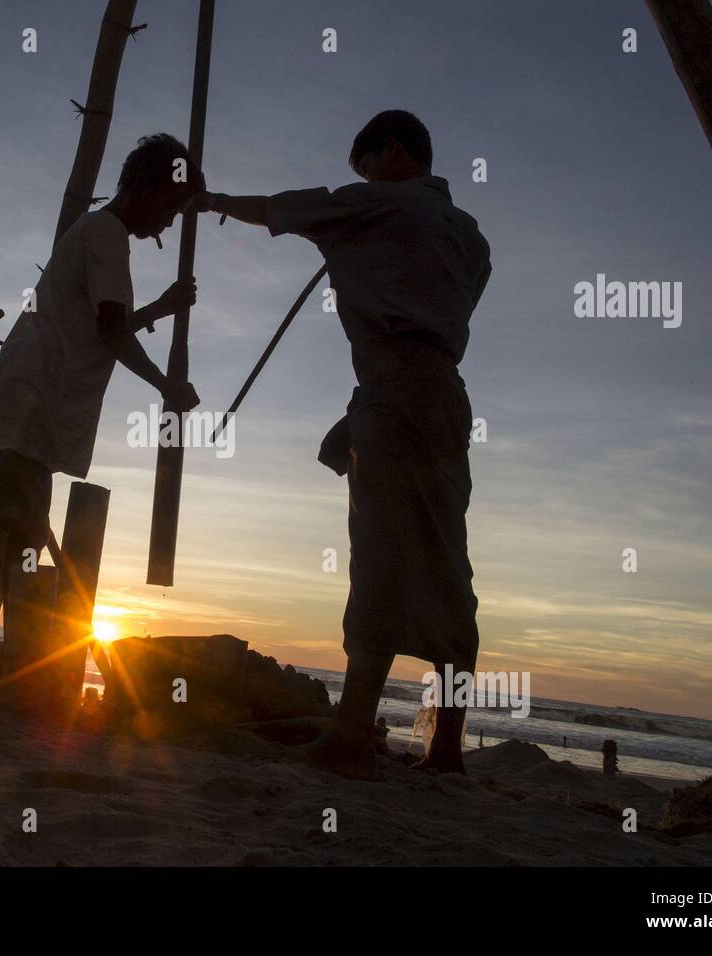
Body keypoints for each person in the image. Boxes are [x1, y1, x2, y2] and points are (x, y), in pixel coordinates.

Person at [197, 110, 491, 776]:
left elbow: (283, 210)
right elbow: (443, 298)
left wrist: (211, 201)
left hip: (394, 394)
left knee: (381, 557)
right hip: (444, 398)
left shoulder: (378, 202)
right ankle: (446, 749)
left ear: (390, 153)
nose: (358, 180)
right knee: (448, 567)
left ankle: (351, 736)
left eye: (363, 168)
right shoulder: (472, 239)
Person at [0, 133, 204, 679]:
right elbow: (111, 330)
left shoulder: (97, 234)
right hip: (29, 403)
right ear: (148, 186)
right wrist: (165, 384)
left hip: (34, 407)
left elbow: (97, 327)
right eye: (169, 210)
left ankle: (12, 666)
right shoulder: (107, 234)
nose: (166, 226)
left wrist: (159, 307)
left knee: (21, 534)